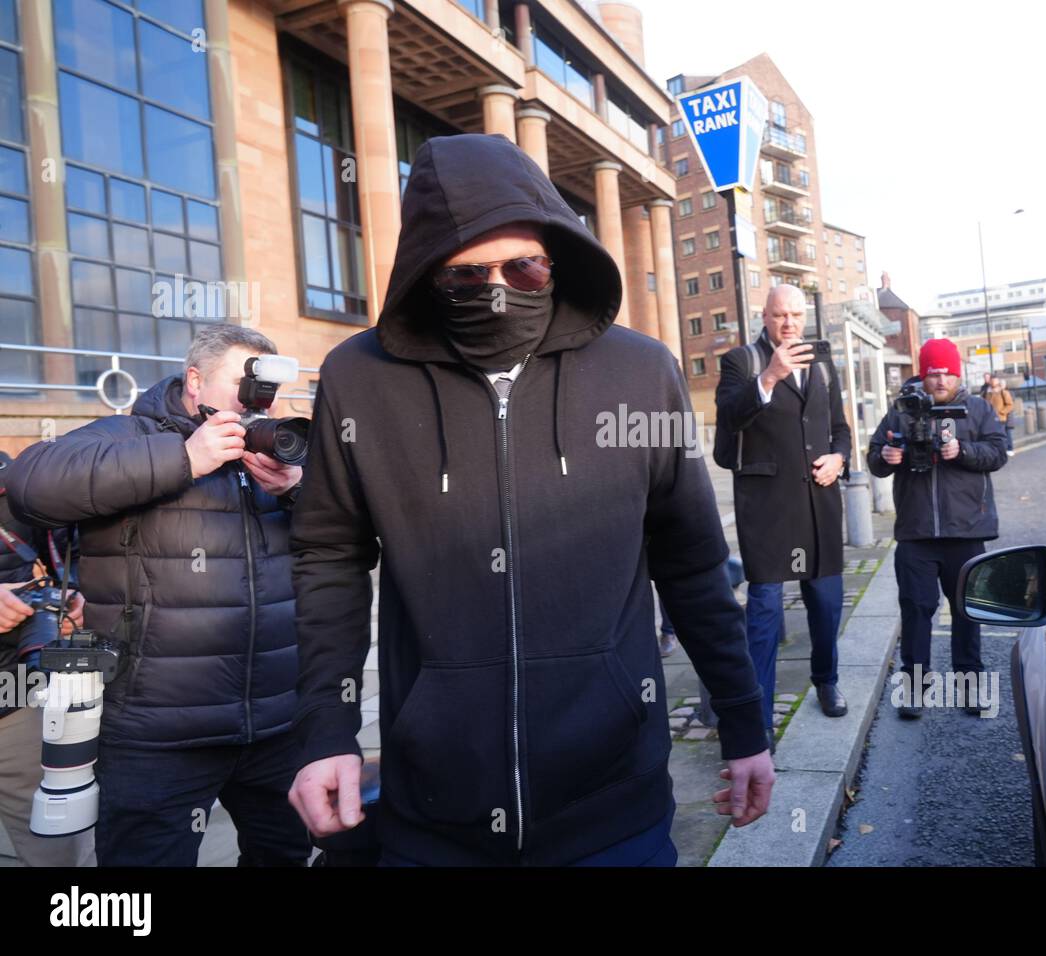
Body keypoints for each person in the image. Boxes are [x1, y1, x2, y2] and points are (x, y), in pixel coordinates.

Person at [287, 133, 772, 867]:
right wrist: (326, 731)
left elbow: (694, 564)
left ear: (557, 258)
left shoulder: (641, 373)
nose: (499, 290)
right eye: (465, 277)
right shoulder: (359, 380)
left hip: (614, 809)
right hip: (434, 816)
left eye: (524, 266)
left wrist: (743, 724)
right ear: (425, 276)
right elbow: (329, 559)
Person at [6, 324, 310, 867]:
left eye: (267, 389)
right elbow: (33, 484)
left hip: (275, 723)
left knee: (286, 854)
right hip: (155, 733)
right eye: (247, 385)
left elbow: (353, 541)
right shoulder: (127, 437)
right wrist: (184, 459)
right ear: (194, 381)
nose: (258, 403)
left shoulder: (276, 452)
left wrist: (297, 491)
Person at [714, 284, 853, 752]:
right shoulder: (742, 362)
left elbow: (839, 428)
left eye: (795, 314)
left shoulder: (822, 361)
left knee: (827, 602)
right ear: (766, 317)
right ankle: (758, 717)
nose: (789, 323)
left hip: (819, 503)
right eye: (779, 315)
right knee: (765, 613)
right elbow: (729, 420)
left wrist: (839, 459)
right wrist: (769, 378)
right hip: (768, 510)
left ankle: (826, 679)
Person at [866, 338, 1008, 717]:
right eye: (933, 372)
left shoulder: (976, 409)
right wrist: (886, 456)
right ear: (924, 374)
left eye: (946, 371)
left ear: (957, 372)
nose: (940, 379)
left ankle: (970, 689)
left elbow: (998, 452)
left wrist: (963, 452)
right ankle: (914, 691)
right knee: (916, 610)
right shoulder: (901, 411)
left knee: (966, 612)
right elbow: (875, 459)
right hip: (916, 532)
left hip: (966, 530)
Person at [0, 454, 93, 867]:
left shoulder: (21, 485)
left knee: (56, 849)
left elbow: (67, 567)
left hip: (13, 699)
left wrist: (74, 598)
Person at [988, 377, 1015, 454]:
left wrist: (1001, 412)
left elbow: (1010, 405)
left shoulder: (1003, 392)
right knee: (994, 435)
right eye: (992, 381)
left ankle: (1009, 449)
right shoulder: (988, 393)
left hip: (1001, 418)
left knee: (1004, 434)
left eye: (995, 382)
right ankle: (999, 449)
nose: (993, 383)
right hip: (990, 419)